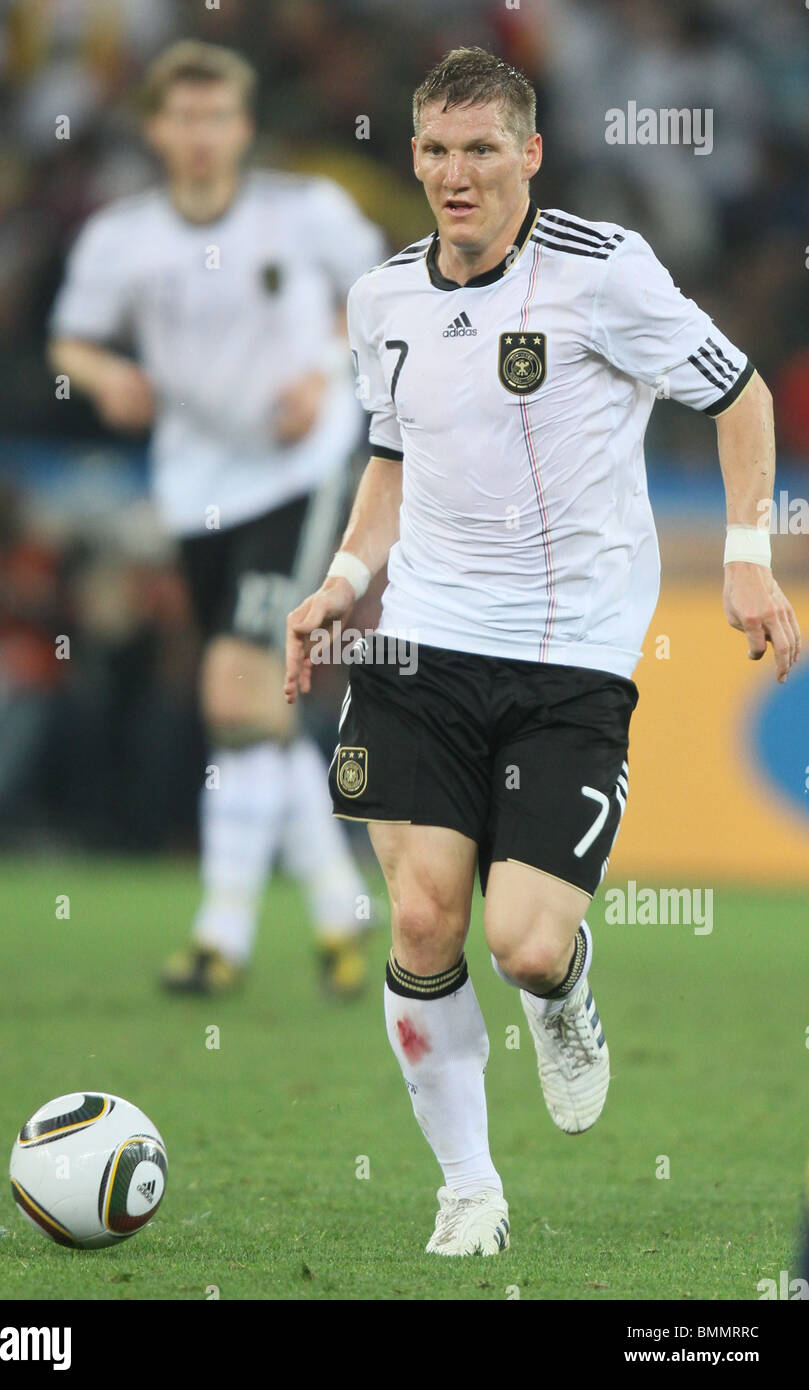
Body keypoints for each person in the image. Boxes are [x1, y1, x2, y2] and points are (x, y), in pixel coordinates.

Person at [285, 46, 800, 1254]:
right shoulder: (382, 301)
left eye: (480, 150)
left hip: (568, 658)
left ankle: (561, 991)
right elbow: (391, 462)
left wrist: (744, 553)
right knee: (420, 923)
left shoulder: (603, 273)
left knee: (520, 940)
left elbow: (742, 398)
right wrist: (342, 582)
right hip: (422, 643)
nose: (455, 175)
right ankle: (469, 1188)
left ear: (528, 153)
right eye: (435, 151)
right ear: (412, 156)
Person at [49, 40, 386, 997]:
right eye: (183, 119)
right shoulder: (124, 238)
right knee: (248, 713)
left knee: (234, 693)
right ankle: (335, 901)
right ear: (156, 129)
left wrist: (324, 378)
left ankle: (219, 936)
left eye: (218, 118)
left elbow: (383, 294)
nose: (200, 137)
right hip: (195, 488)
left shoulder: (304, 212)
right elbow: (69, 339)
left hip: (302, 473)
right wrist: (106, 371)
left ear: (243, 129)